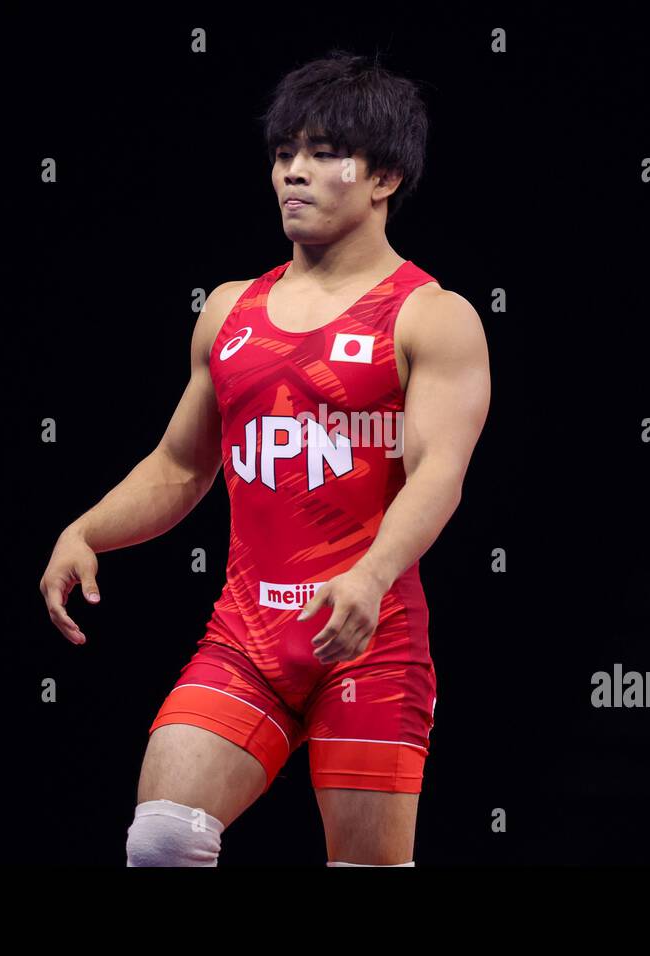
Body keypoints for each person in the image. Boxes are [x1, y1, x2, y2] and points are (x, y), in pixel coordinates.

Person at [39, 50, 490, 866]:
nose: (295, 172)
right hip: (246, 637)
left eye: (324, 154)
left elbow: (438, 475)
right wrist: (88, 529)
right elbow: (181, 465)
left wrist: (371, 573)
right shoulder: (227, 311)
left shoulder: (434, 319)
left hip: (369, 638)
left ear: (384, 176)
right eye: (286, 153)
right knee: (162, 841)